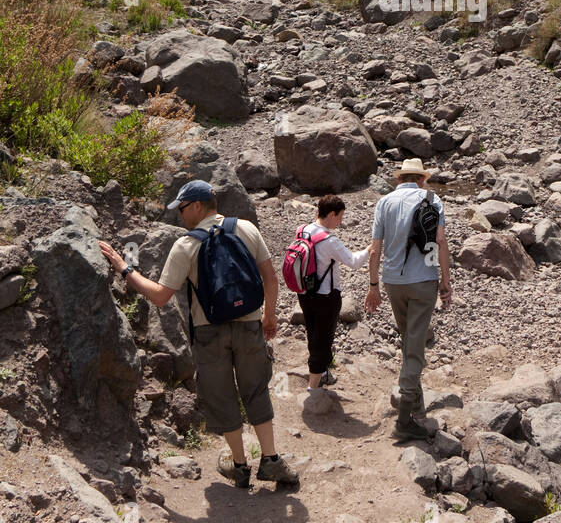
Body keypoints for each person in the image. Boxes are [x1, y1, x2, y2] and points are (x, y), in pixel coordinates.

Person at [99, 179, 298, 490]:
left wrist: (124, 267)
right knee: (256, 389)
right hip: (249, 324)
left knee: (222, 395)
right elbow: (271, 279)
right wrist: (269, 316)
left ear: (196, 206)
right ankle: (271, 460)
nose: (180, 215)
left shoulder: (186, 245)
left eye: (181, 208)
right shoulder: (246, 228)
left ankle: (240, 466)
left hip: (209, 332)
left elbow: (161, 296)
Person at [364, 157, 452, 441]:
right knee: (414, 347)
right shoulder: (432, 199)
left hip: (393, 281)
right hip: (423, 280)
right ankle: (404, 421)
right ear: (422, 179)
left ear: (400, 178)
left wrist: (373, 285)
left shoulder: (384, 202)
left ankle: (417, 406)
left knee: (408, 341)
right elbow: (440, 241)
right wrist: (446, 283)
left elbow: (375, 249)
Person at [295, 194, 371, 392]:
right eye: (340, 216)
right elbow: (353, 262)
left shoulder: (302, 230)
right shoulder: (329, 239)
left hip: (304, 292)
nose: (341, 221)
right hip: (326, 297)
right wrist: (369, 249)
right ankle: (313, 388)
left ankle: (322, 373)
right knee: (323, 338)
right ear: (331, 214)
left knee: (313, 332)